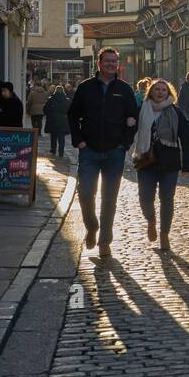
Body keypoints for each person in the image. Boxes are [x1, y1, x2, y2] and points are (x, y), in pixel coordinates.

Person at [67, 48, 138, 258]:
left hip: (114, 152)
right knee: (86, 192)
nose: (111, 64)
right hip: (89, 150)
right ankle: (91, 226)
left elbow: (133, 118)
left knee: (109, 198)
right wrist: (78, 141)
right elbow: (72, 115)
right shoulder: (85, 88)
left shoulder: (124, 89)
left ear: (118, 64)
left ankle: (105, 241)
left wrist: (124, 144)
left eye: (114, 61)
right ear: (99, 63)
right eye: (107, 61)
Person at [133, 79, 189, 252]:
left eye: (163, 90)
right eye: (156, 89)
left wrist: (186, 165)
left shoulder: (176, 112)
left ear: (169, 93)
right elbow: (129, 130)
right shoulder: (142, 110)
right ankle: (151, 220)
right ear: (150, 91)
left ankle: (164, 234)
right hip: (145, 161)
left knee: (167, 199)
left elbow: (186, 139)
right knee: (145, 199)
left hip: (169, 162)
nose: (160, 92)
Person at [44, 84, 70, 157]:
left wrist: (49, 115)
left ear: (55, 91)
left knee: (53, 136)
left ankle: (53, 150)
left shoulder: (51, 99)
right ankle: (61, 152)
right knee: (61, 138)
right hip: (63, 121)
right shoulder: (66, 100)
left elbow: (45, 109)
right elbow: (70, 111)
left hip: (53, 120)